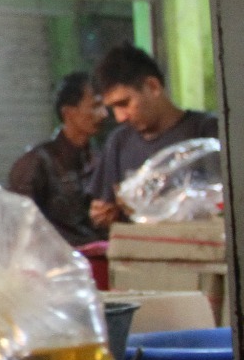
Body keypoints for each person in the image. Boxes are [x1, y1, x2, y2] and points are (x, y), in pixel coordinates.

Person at [88, 43, 220, 228]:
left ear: (153, 86)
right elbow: (105, 208)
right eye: (113, 108)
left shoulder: (207, 132)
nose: (119, 117)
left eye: (124, 103)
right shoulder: (118, 143)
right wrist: (104, 214)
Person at [8, 71, 107, 246]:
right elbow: (19, 225)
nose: (104, 114)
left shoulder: (99, 160)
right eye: (95, 106)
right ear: (68, 113)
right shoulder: (35, 164)